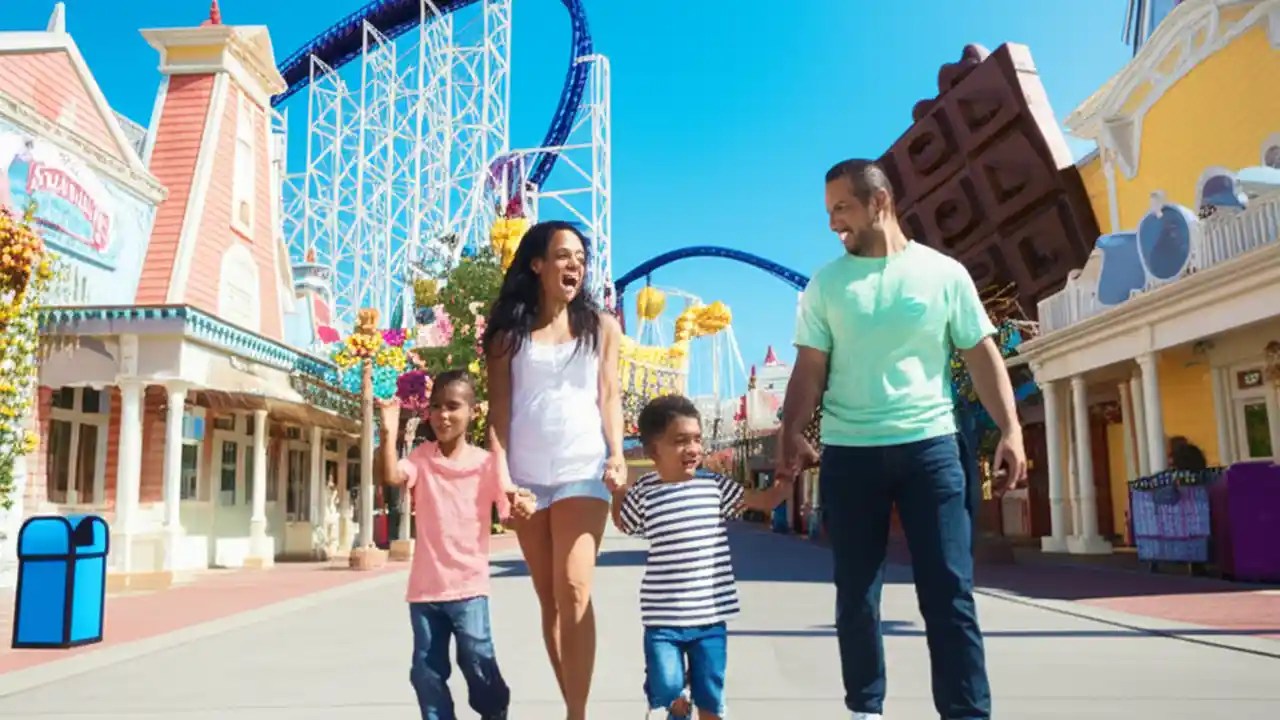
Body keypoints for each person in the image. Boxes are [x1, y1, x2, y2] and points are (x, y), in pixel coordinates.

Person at [776, 159, 1028, 720]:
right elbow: (809, 369)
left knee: (949, 594)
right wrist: (791, 429)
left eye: (841, 208)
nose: (832, 223)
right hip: (850, 455)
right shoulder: (826, 285)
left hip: (931, 448)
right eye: (829, 211)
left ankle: (966, 713)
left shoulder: (943, 273)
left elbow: (981, 354)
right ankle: (866, 709)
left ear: (879, 202)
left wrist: (1010, 429)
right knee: (856, 598)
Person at [482, 220, 627, 720]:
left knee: (574, 588)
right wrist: (501, 478)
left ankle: (577, 715)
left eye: (582, 259)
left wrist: (617, 453)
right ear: (537, 264)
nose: (575, 266)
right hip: (525, 479)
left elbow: (609, 396)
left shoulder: (601, 328)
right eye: (564, 256)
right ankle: (574, 704)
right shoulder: (506, 337)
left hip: (582, 469)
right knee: (550, 601)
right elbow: (497, 414)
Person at [614, 394, 792, 719]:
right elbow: (624, 523)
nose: (693, 448)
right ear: (654, 451)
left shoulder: (715, 487)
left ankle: (697, 702)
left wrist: (785, 479)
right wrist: (617, 493)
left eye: (697, 439)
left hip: (709, 615)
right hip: (663, 618)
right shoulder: (644, 491)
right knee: (667, 686)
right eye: (680, 441)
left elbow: (763, 502)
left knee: (710, 695)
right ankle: (672, 696)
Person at [377, 370, 536, 720]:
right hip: (425, 592)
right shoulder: (421, 458)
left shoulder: (487, 464)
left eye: (453, 406)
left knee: (477, 658)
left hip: (468, 587)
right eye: (436, 407)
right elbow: (390, 476)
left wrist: (523, 507)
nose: (443, 415)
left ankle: (495, 709)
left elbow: (509, 515)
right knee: (426, 671)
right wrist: (387, 431)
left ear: (472, 411)